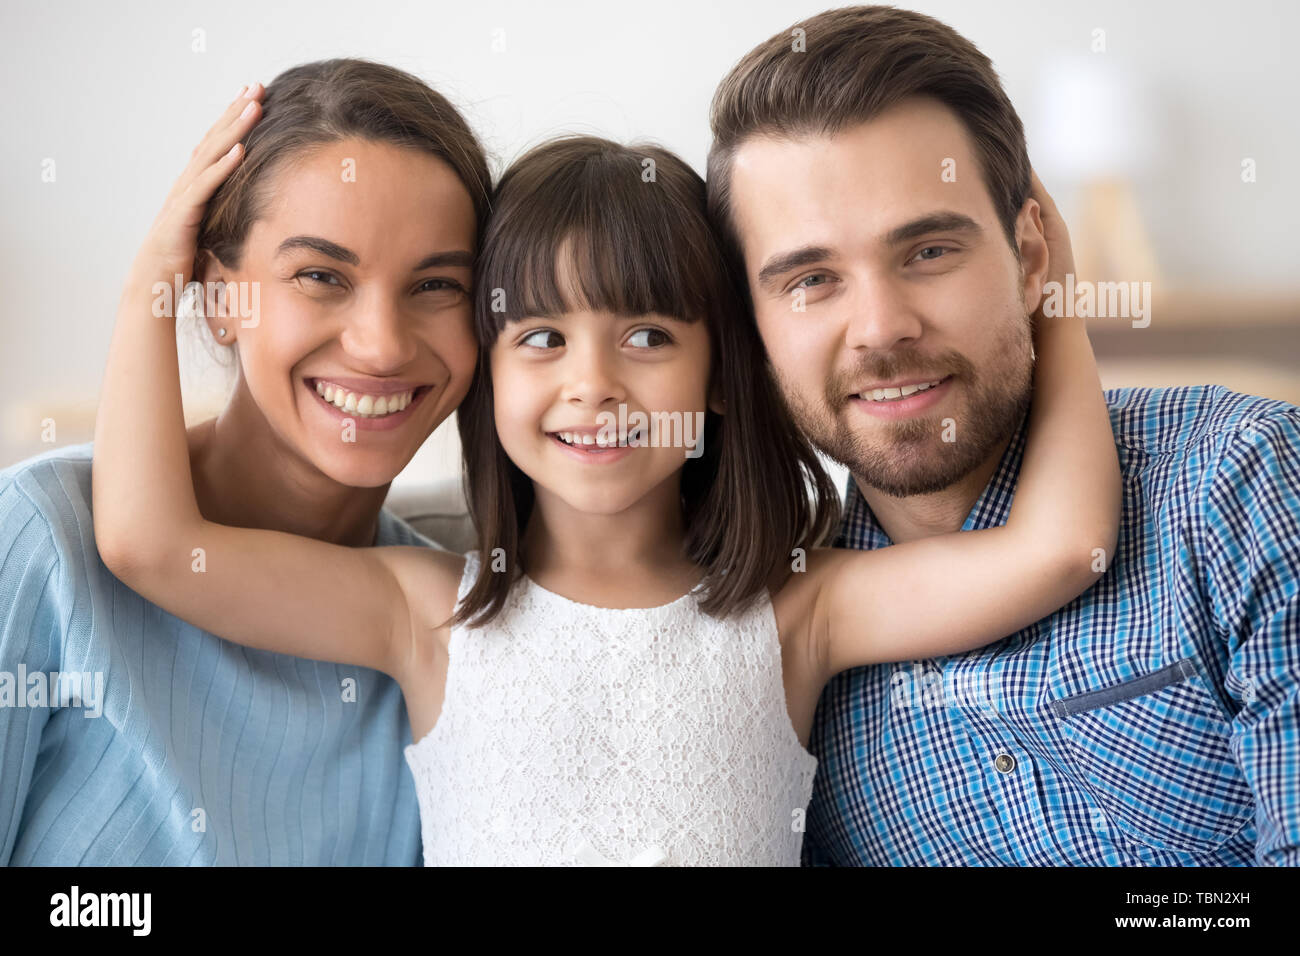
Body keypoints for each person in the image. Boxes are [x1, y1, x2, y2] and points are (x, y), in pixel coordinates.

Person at [90, 82, 1118, 864]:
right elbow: (146, 541)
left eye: (644, 332)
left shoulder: (804, 609)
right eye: (538, 337)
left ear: (723, 375)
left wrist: (1052, 296)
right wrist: (152, 282)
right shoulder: (415, 610)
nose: (592, 385)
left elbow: (1064, 544)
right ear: (486, 376)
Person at [706, 5, 1300, 866]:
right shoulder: (774, 637)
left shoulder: (1238, 478)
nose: (880, 328)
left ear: (1030, 258)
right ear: (750, 327)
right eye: (811, 279)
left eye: (929, 252)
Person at [0, 60, 491, 864]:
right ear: (219, 297)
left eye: (436, 285)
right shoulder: (39, 542)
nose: (382, 345)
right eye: (321, 276)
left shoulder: (450, 623)